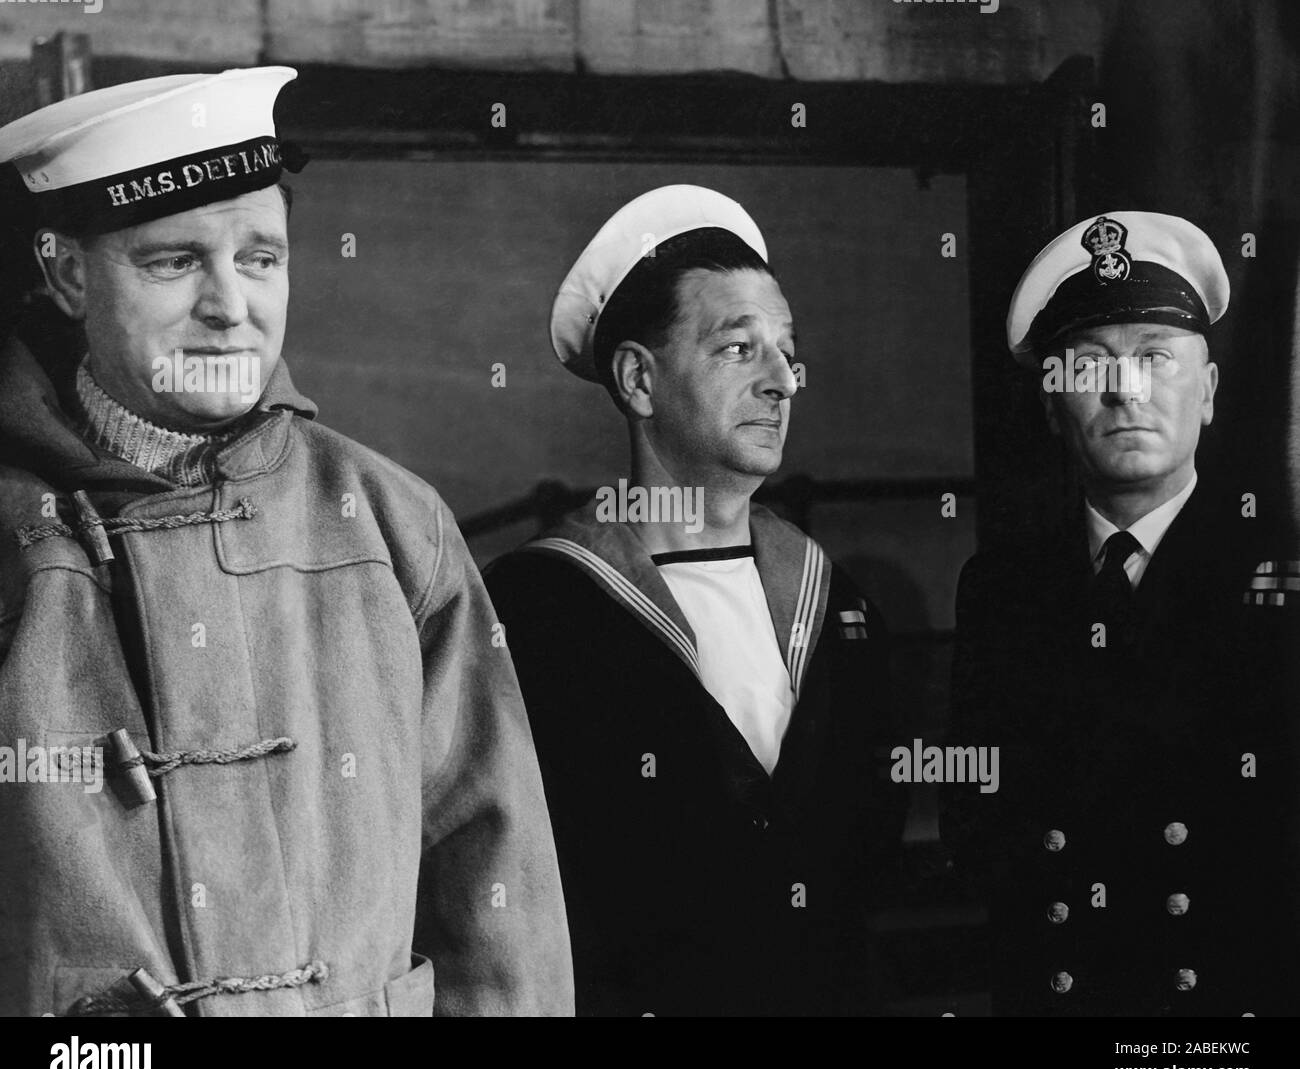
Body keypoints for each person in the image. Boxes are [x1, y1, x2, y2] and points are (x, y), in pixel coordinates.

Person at [0, 67, 573, 1017]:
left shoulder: (393, 524)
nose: (231, 305)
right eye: (175, 261)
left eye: (261, 258)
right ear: (68, 276)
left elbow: (497, 884)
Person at [485, 184, 903, 1016]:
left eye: (787, 350)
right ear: (638, 379)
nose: (783, 380)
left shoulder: (839, 604)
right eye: (738, 350)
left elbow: (869, 859)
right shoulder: (536, 610)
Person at [946, 210, 1298, 1016]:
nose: (1124, 389)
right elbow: (973, 813)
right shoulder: (1001, 589)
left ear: (1206, 393)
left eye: (1155, 358)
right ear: (1049, 404)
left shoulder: (1280, 571)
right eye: (1089, 365)